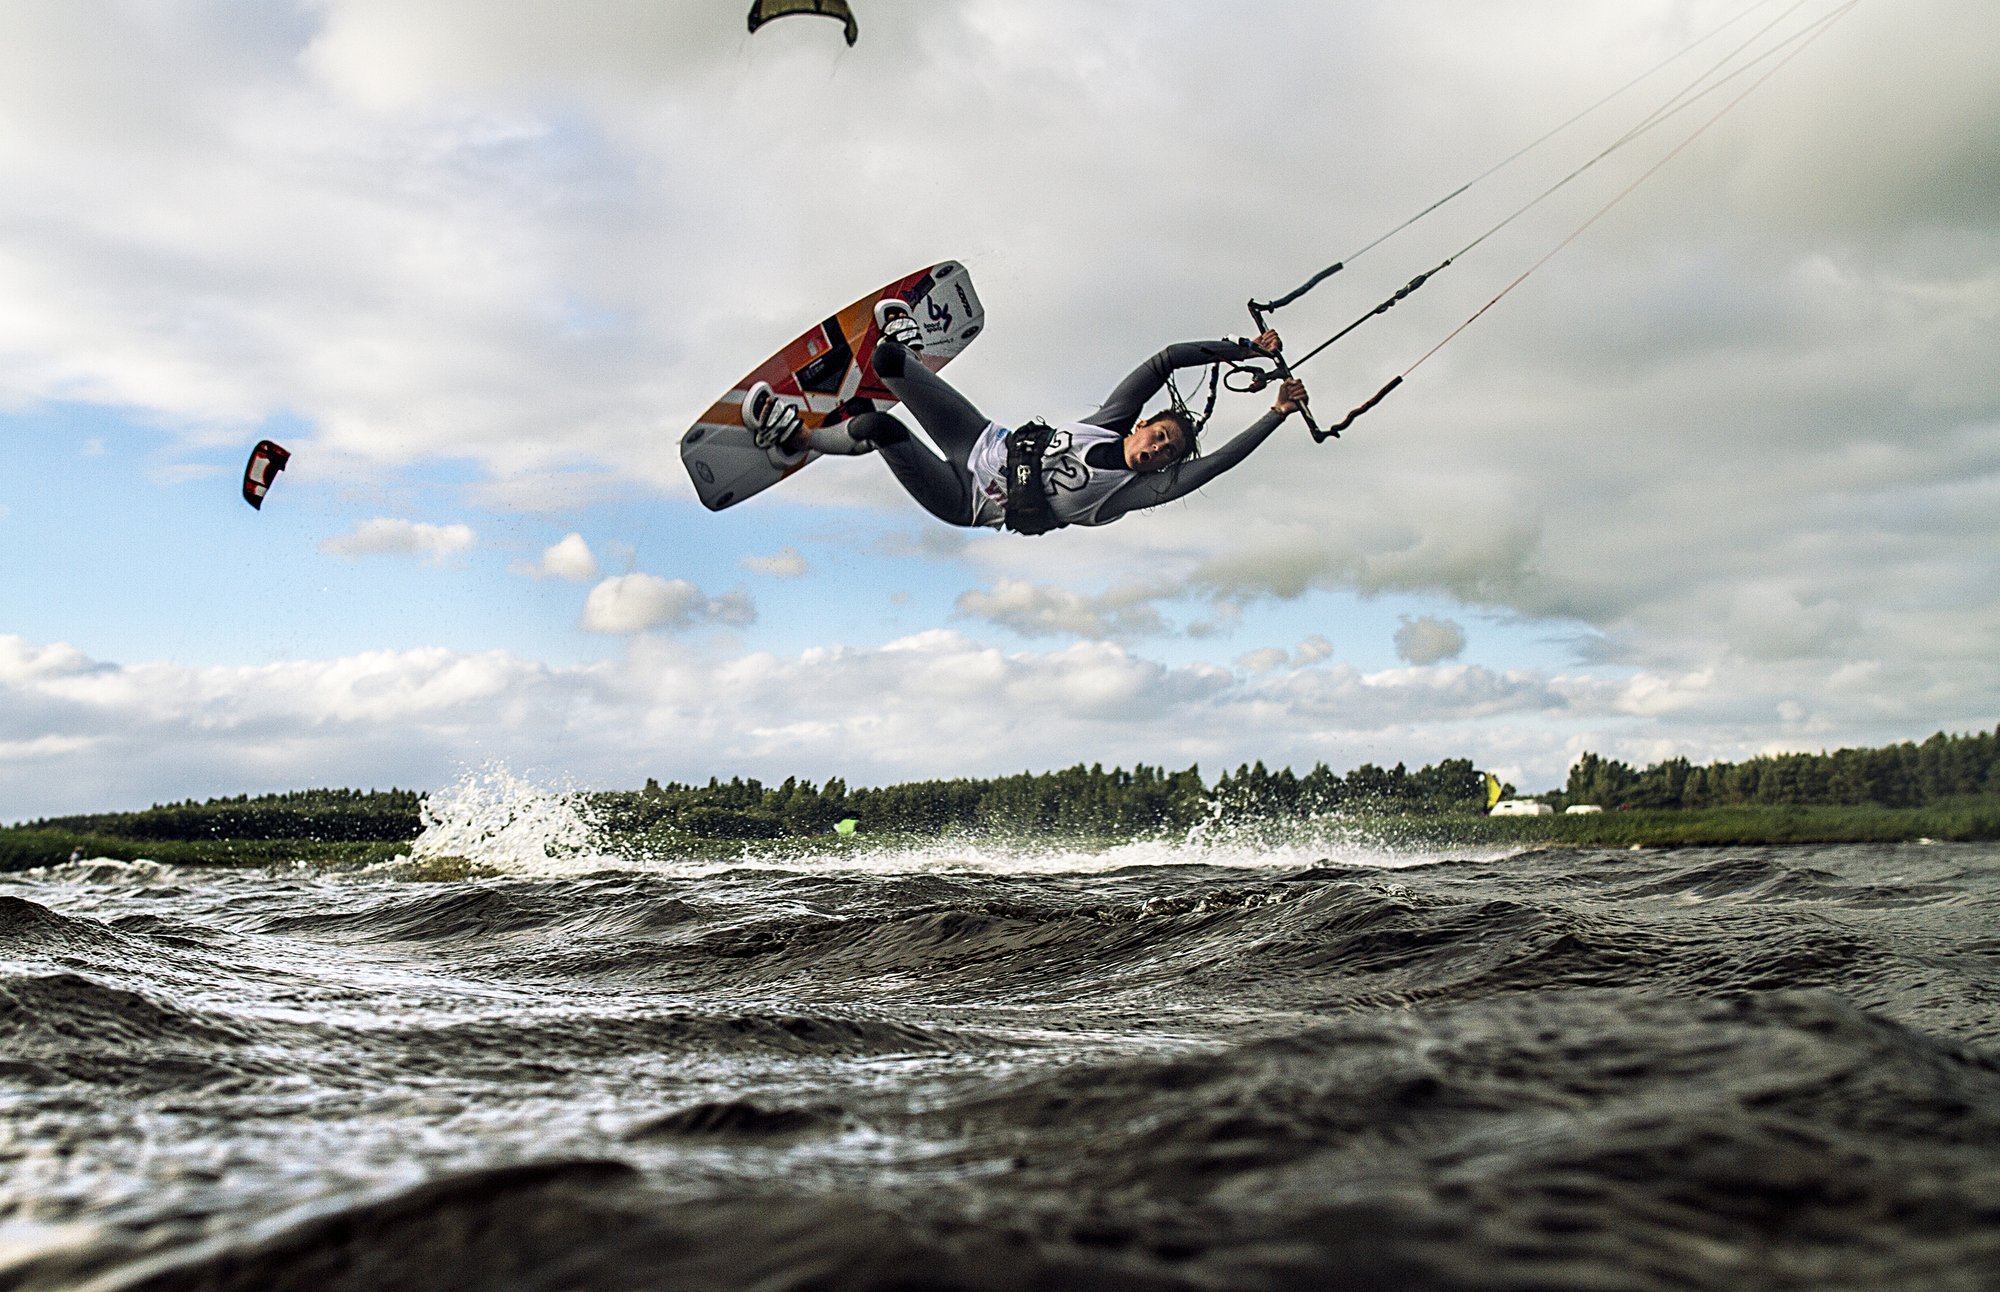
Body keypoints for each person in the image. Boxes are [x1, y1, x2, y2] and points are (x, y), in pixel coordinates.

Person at [742, 305, 1309, 532]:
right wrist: (1247, 350)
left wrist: (1277, 413)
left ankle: (800, 439)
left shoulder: (1125, 496)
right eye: (1159, 435)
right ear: (1140, 425)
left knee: (876, 427)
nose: (1160, 449)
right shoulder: (1111, 420)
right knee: (887, 359)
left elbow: (1215, 465)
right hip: (980, 439)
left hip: (962, 498)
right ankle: (907, 353)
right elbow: (1166, 359)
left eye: (1168, 453)